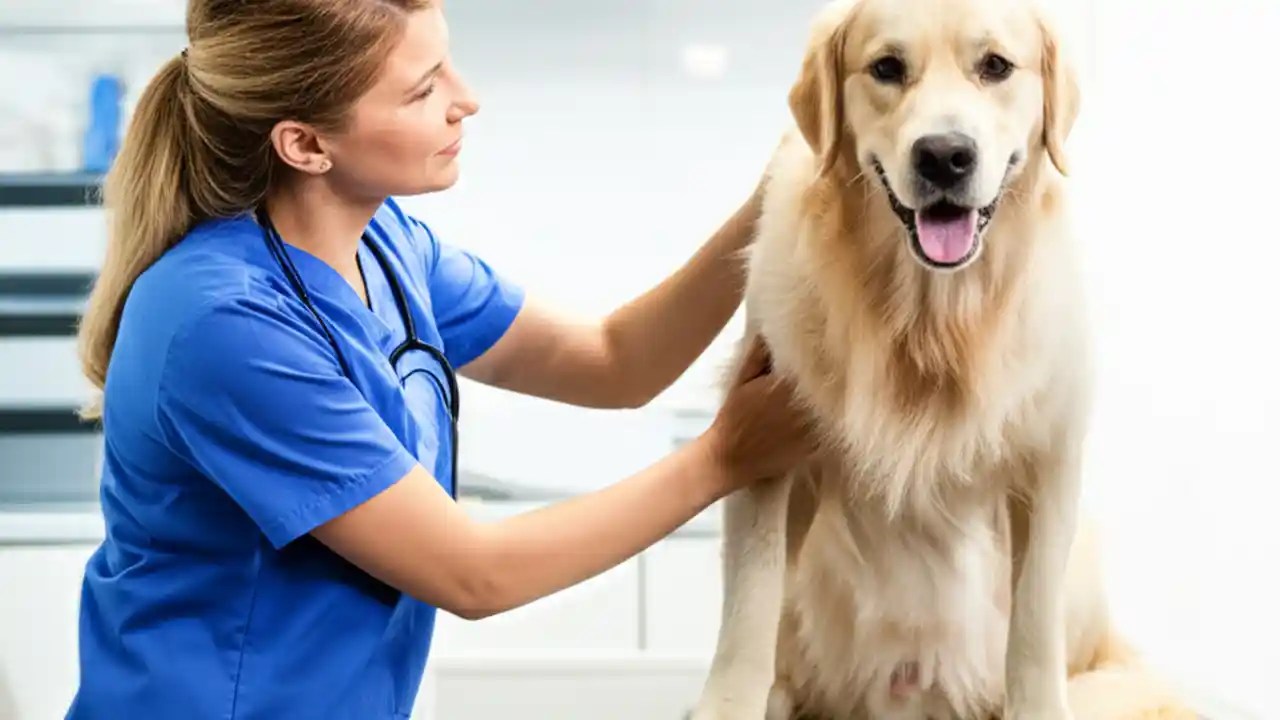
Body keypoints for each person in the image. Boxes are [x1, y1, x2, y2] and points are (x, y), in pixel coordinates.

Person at [66, 1, 817, 718]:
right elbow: (473, 573)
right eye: (423, 89)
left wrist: (774, 199)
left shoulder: (390, 247)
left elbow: (613, 362)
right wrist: (722, 460)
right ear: (306, 144)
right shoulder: (222, 322)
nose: (467, 100)